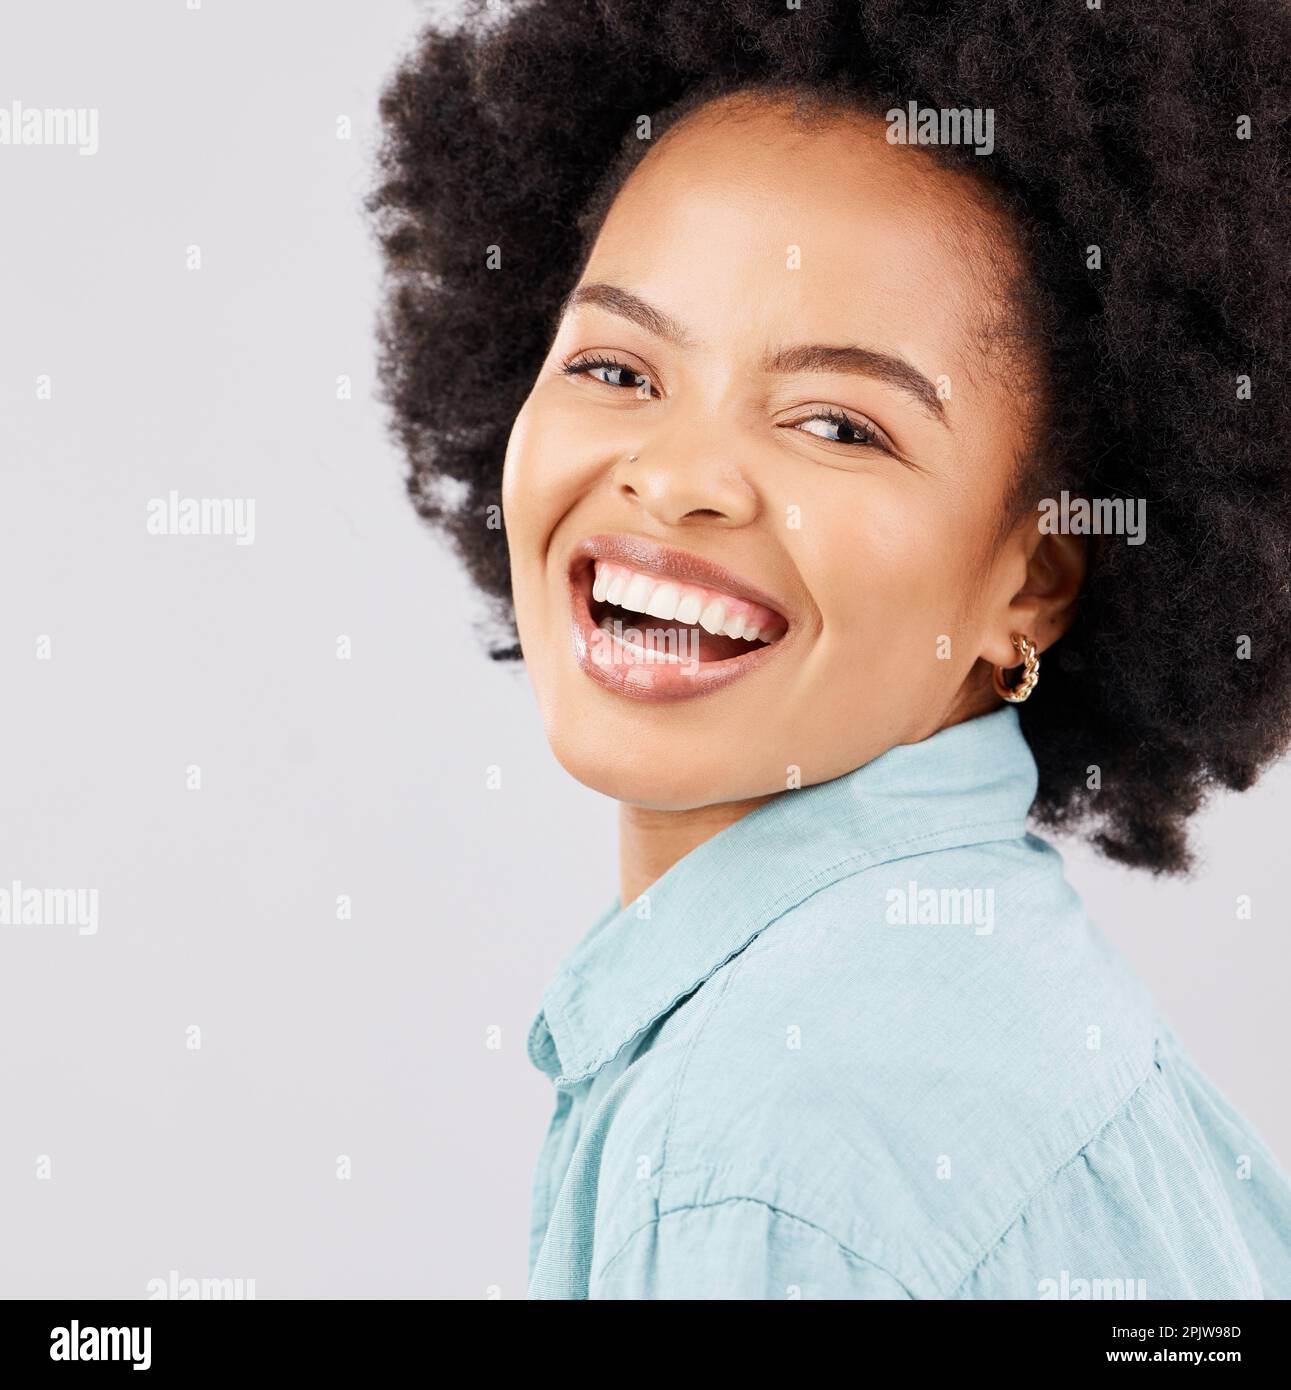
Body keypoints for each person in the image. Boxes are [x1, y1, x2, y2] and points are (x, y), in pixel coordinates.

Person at [370, 0, 1291, 1298]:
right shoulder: (975, 988)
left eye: (839, 425)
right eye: (620, 370)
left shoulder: (773, 1150)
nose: (681, 477)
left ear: (1030, 582)